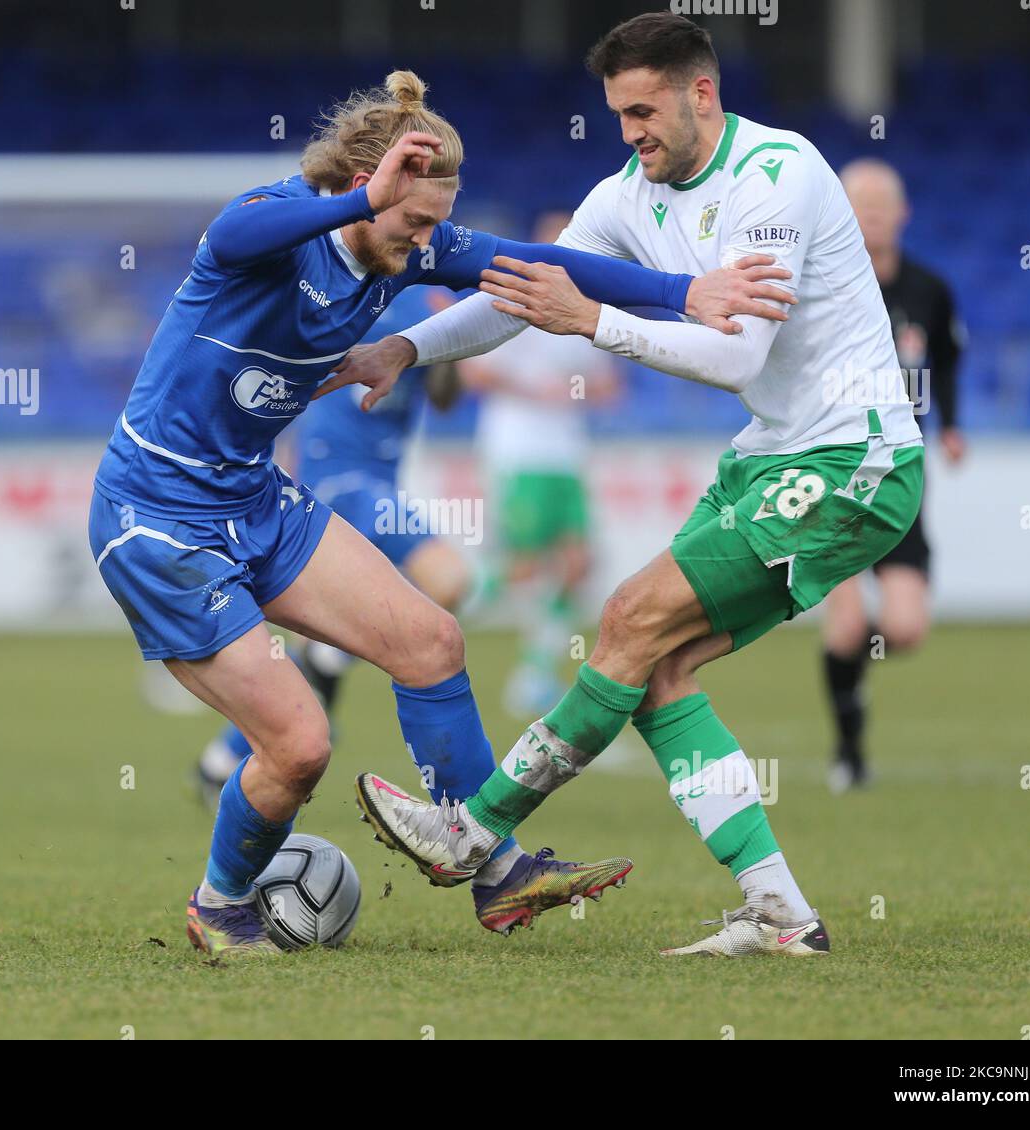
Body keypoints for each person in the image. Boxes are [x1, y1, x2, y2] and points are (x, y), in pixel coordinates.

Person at [87, 69, 794, 955]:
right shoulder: (275, 226)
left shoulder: (409, 245)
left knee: (431, 642)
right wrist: (355, 207)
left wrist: (685, 294)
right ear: (358, 189)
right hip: (156, 516)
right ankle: (221, 907)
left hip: (253, 496)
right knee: (300, 745)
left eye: (434, 222)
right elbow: (234, 230)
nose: (426, 241)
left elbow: (548, 269)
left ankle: (493, 871)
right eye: (409, 217)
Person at [331, 15, 924, 958]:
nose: (630, 132)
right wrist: (408, 345)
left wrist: (596, 323)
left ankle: (473, 830)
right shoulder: (629, 191)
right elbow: (523, 290)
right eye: (617, 114)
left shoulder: (780, 176)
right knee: (656, 674)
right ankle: (780, 914)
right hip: (771, 454)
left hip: (851, 458)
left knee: (627, 620)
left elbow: (740, 351)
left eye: (644, 111)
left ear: (702, 94)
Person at [195, 285, 472, 794]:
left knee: (312, 664)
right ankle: (335, 659)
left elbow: (446, 398)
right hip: (343, 482)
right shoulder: (344, 294)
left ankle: (222, 759)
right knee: (449, 580)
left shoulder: (431, 301)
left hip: (375, 481)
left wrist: (448, 342)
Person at [820, 158, 966, 792]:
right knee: (849, 623)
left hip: (901, 472)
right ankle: (849, 752)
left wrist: (954, 425)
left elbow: (948, 362)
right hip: (836, 471)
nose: (872, 213)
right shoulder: (824, 286)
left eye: (883, 202)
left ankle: (848, 664)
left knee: (904, 629)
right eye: (860, 202)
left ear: (902, 213)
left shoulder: (929, 290)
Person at [457, 212, 621, 717]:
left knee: (577, 563)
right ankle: (442, 605)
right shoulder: (511, 299)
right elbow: (470, 373)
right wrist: (532, 390)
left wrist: (574, 392)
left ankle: (534, 673)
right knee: (526, 564)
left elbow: (612, 386)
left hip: (565, 454)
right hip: (519, 450)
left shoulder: (584, 312)